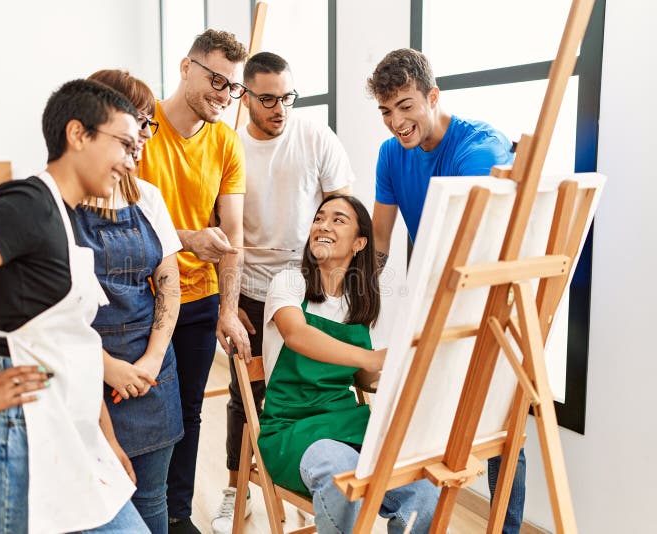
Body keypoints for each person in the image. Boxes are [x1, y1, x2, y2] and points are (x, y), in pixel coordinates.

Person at [0, 79, 148, 533]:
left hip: (72, 430)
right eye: (125, 144)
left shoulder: (65, 216)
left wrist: (106, 439)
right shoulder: (25, 204)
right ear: (78, 134)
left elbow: (75, 344)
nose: (131, 161)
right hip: (25, 430)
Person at [368, 48, 526, 533]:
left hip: (491, 299)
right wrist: (358, 302)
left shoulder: (478, 148)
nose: (397, 121)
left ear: (433, 96)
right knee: (423, 421)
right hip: (436, 297)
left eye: (407, 106)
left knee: (501, 431)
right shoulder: (392, 154)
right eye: (387, 111)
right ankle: (417, 520)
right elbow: (379, 240)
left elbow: (467, 242)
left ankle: (507, 527)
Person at [211, 51, 355, 534]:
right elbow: (221, 228)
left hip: (309, 283)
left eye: (288, 97)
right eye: (268, 99)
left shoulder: (314, 136)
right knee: (246, 393)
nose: (280, 109)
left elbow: (343, 205)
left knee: (317, 381)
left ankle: (312, 473)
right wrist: (226, 305)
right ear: (245, 96)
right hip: (251, 287)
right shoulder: (229, 146)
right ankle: (238, 489)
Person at [258, 195, 439, 534]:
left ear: (359, 242)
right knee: (343, 470)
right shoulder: (289, 283)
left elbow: (366, 378)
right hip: (292, 429)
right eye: (319, 218)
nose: (323, 225)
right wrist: (372, 357)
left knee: (425, 488)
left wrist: (407, 369)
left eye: (338, 220)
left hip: (349, 423)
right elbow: (297, 335)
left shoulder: (361, 301)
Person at [138, 29, 251, 534]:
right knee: (144, 414)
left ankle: (178, 515)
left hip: (200, 300)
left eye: (232, 88)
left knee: (187, 413)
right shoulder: (140, 129)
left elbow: (233, 233)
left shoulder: (226, 142)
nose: (224, 95)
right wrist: (186, 239)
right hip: (141, 299)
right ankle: (142, 511)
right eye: (216, 80)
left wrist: (228, 309)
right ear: (186, 67)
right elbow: (120, 219)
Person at [73, 69, 183, 534]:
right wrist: (108, 368)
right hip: (85, 371)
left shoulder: (150, 198)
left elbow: (169, 284)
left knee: (152, 496)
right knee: (95, 503)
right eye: (132, 121)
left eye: (146, 123)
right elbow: (53, 318)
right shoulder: (61, 204)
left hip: (151, 371)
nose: (140, 136)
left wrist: (152, 360)